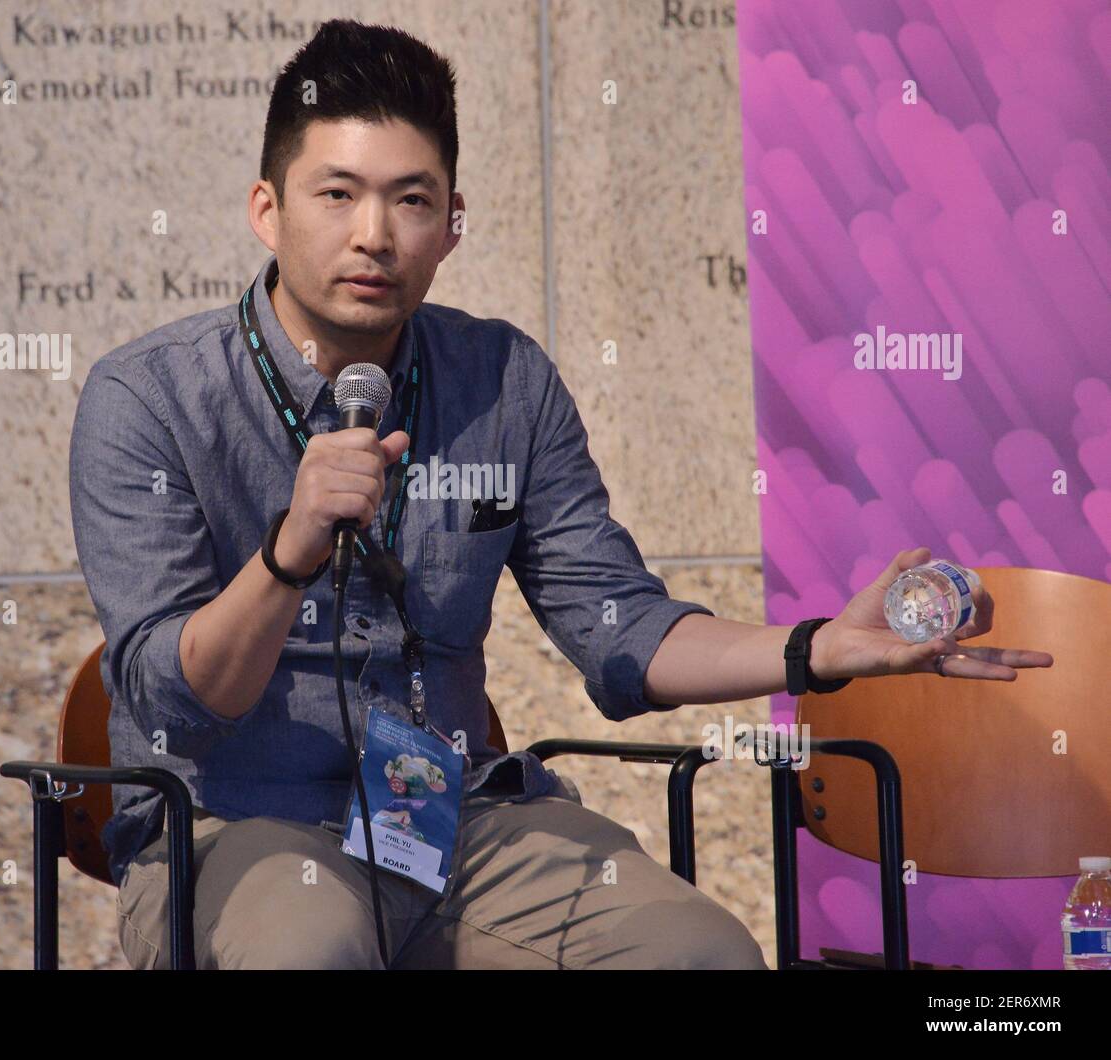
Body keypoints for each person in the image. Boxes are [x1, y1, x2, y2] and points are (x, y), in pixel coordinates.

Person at [67, 19, 1053, 970]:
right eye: (336, 194)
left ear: (451, 225)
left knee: (700, 952)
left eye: (409, 200)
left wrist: (814, 649)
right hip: (233, 823)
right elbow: (175, 698)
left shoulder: (503, 380)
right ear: (266, 210)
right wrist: (289, 552)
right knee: (310, 950)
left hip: (442, 819)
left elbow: (619, 625)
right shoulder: (148, 399)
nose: (372, 234)